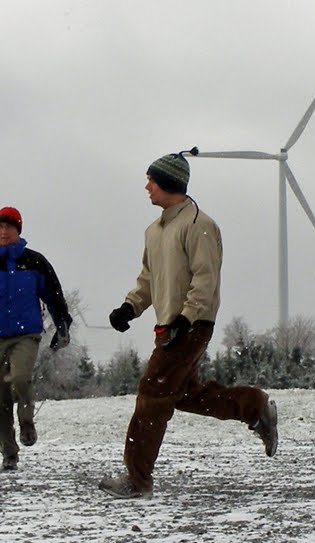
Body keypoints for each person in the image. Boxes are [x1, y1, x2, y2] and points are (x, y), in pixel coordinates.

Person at [99, 152, 278, 499]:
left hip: (193, 324)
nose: (146, 186)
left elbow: (205, 279)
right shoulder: (154, 230)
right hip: (169, 325)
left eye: (152, 179)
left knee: (152, 394)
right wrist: (129, 307)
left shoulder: (199, 225)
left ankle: (137, 481)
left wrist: (186, 318)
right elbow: (148, 279)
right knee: (182, 394)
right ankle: (255, 407)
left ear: (170, 184)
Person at [0, 207, 72, 471]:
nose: (4, 232)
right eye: (0, 227)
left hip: (26, 335)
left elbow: (54, 296)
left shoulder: (35, 263)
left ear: (19, 230)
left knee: (19, 377)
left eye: (10, 227)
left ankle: (27, 421)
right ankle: (9, 452)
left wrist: (62, 325)